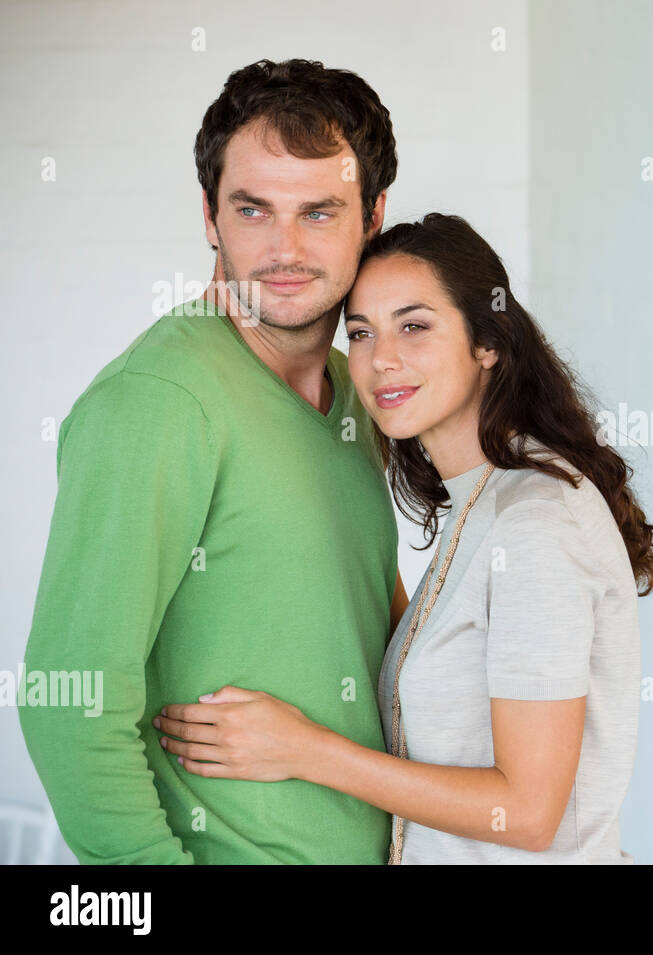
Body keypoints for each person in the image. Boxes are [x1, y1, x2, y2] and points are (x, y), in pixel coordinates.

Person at [153, 213, 653, 863]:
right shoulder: (478, 508)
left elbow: (528, 811)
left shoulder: (536, 524)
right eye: (362, 332)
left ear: (489, 341)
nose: (381, 359)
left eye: (414, 325)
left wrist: (303, 748)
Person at [19, 58, 406, 863]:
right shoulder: (158, 400)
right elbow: (68, 702)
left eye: (319, 213)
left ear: (371, 218)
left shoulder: (358, 392)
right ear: (209, 215)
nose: (285, 247)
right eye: (253, 209)